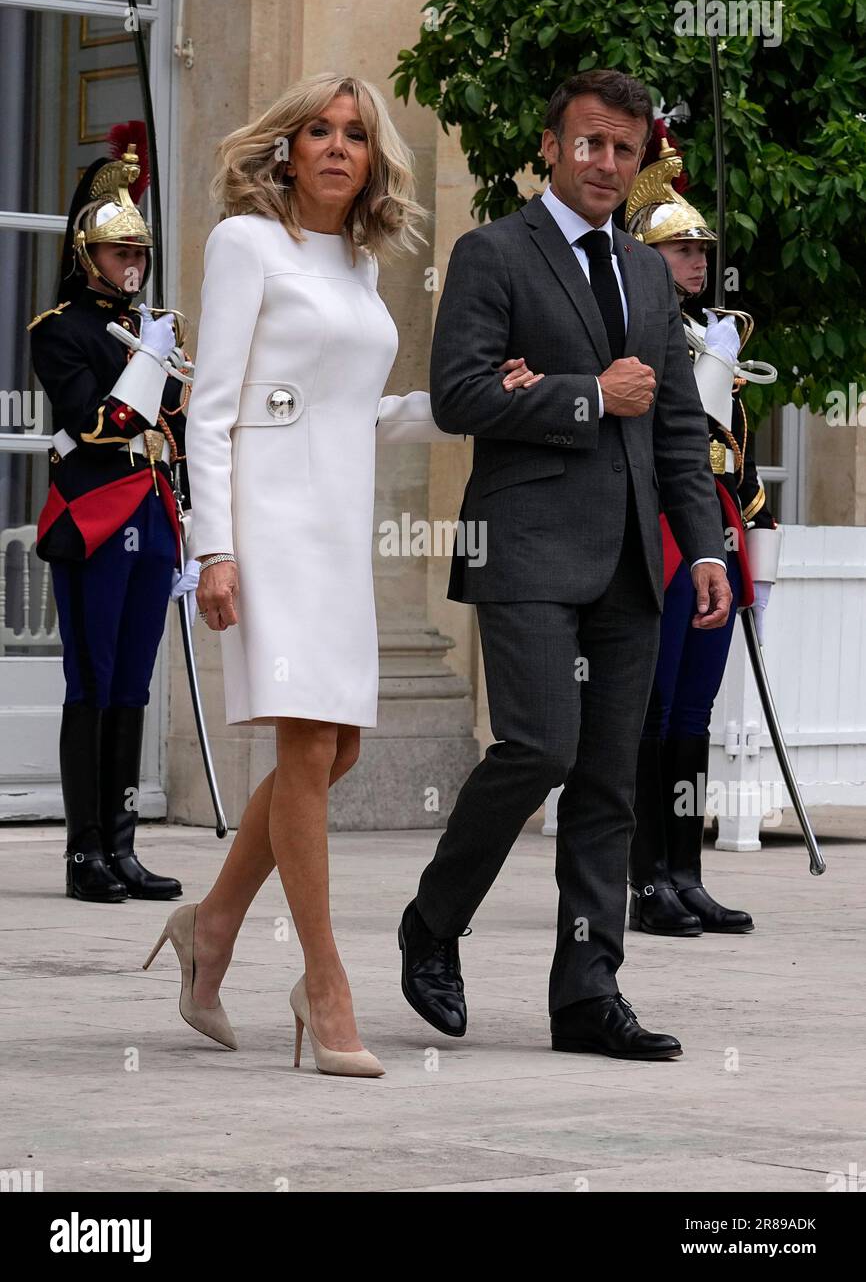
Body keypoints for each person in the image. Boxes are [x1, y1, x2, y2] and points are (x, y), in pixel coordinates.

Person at [144, 72, 535, 1076]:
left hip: (334, 529)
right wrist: (214, 548)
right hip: (267, 527)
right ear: (284, 147)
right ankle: (324, 986)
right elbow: (214, 407)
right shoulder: (244, 244)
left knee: (338, 754)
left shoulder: (357, 268)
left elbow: (356, 408)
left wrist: (472, 401)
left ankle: (214, 925)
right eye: (315, 130)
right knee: (309, 754)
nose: (332, 147)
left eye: (353, 135)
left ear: (370, 161)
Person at [398, 68, 733, 1063]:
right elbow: (458, 393)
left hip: (633, 558)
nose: (604, 162)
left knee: (608, 781)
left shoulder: (641, 272)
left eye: (622, 150)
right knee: (538, 747)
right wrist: (585, 394)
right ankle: (431, 922)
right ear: (551, 146)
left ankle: (587, 993)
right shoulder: (490, 252)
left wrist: (703, 545)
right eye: (588, 143)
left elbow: (676, 422)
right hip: (525, 547)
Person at [624, 136, 779, 936]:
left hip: (711, 526)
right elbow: (676, 429)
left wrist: (752, 514)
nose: (697, 260)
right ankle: (644, 880)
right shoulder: (641, 335)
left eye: (700, 249)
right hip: (659, 527)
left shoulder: (707, 332)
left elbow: (730, 445)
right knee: (651, 710)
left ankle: (685, 872)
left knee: (694, 711)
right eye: (682, 247)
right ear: (648, 254)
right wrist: (710, 372)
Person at [30, 129, 189, 903]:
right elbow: (95, 423)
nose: (133, 268)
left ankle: (122, 847)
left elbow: (178, 433)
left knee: (132, 684)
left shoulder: (152, 327)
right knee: (90, 680)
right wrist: (148, 362)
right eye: (119, 255)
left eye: (139, 255)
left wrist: (194, 523)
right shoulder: (61, 329)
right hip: (95, 511)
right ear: (87, 256)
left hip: (151, 512)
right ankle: (82, 854)